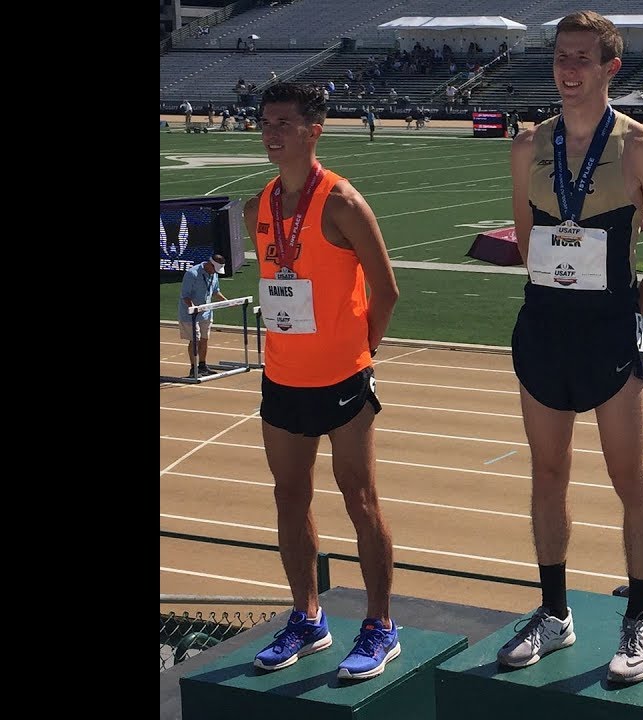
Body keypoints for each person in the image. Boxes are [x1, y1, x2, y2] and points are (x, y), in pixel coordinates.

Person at [499, 10, 643, 685]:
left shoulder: (641, 149)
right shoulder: (527, 147)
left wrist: (627, 312)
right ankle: (555, 613)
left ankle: (638, 619)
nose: (567, 69)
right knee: (547, 475)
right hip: (545, 330)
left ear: (612, 68)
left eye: (582, 58)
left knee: (628, 477)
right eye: (559, 57)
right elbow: (525, 243)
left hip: (608, 334)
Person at [242, 82, 402, 682]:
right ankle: (307, 618)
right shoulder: (261, 202)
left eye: (284, 122)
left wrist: (359, 353)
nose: (271, 132)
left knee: (360, 499)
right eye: (266, 122)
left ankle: (381, 626)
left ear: (315, 130)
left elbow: (386, 290)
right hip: (282, 379)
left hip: (342, 380)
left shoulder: (341, 202)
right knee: (290, 498)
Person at [178, 253, 228, 378]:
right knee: (195, 340)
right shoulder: (192, 274)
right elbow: (186, 296)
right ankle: (193, 368)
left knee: (204, 339)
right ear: (210, 264)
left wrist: (227, 302)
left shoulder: (214, 274)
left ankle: (202, 365)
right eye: (214, 269)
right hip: (190, 314)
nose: (214, 272)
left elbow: (216, 291)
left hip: (206, 312)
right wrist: (194, 308)